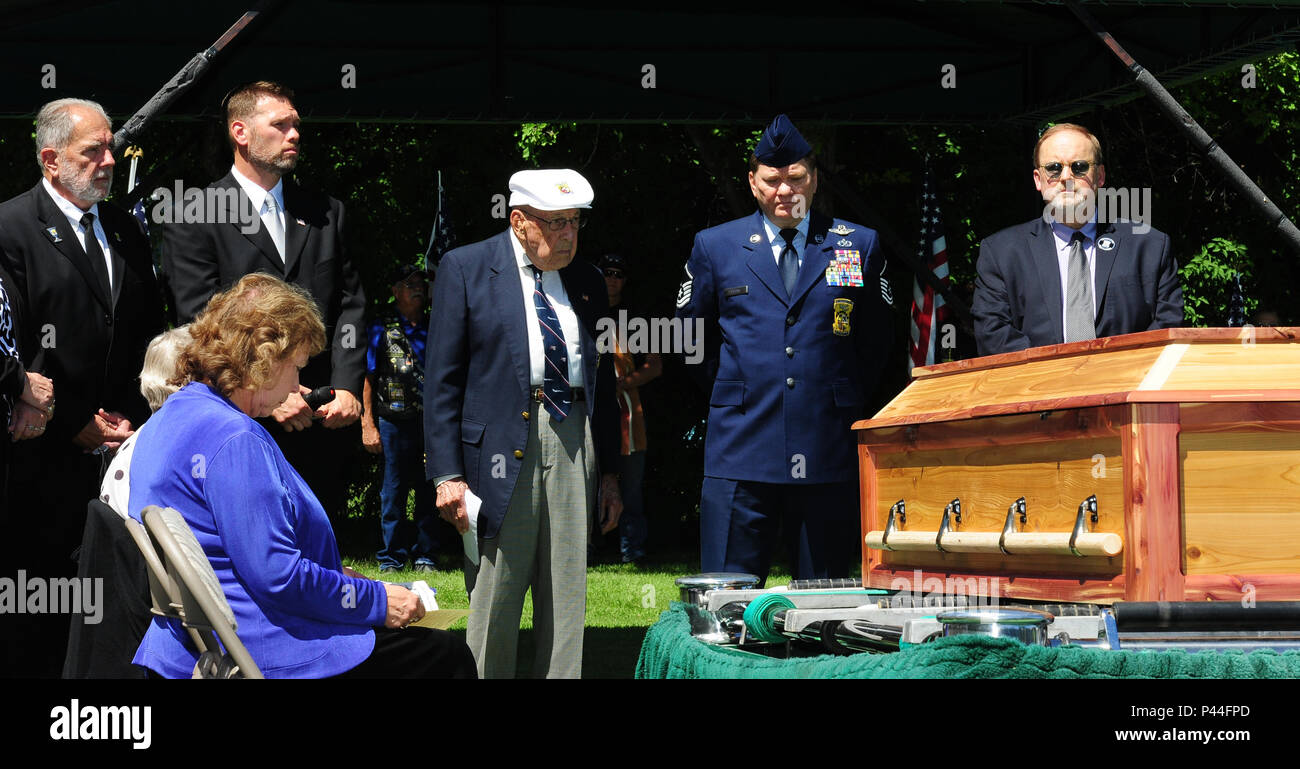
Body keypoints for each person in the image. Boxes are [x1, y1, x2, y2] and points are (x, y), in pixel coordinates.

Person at [128, 274, 475, 679]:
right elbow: (279, 578)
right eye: (296, 367)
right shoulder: (234, 437)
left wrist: (337, 578)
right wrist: (378, 601)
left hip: (196, 645)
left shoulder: (169, 419)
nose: (298, 384)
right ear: (264, 358)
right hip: (260, 648)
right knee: (446, 655)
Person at [675, 114, 893, 583]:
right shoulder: (716, 246)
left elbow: (876, 341)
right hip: (741, 445)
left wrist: (835, 393)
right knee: (727, 596)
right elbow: (691, 339)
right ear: (753, 183)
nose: (784, 191)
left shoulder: (857, 243)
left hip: (825, 444)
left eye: (796, 178)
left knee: (825, 596)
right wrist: (737, 388)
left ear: (814, 179)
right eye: (772, 180)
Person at [426, 169, 622, 678]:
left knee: (567, 590)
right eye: (555, 223)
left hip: (573, 434)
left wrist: (609, 472)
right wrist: (447, 475)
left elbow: (601, 382)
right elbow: (442, 380)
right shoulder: (466, 267)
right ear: (518, 221)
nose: (568, 235)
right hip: (497, 442)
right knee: (496, 591)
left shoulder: (587, 280)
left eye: (575, 222)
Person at [0, 97, 164, 677]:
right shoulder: (10, 227)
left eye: (110, 148)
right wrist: (74, 421)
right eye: (92, 151)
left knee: (112, 602)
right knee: (39, 602)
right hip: (40, 451)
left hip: (121, 446)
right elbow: (16, 340)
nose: (109, 161)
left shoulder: (125, 227)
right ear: (51, 160)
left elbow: (146, 329)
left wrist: (131, 415)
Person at [161, 80, 365, 524]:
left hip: (322, 418)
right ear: (240, 132)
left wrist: (348, 386)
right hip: (240, 425)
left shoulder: (327, 212)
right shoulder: (193, 213)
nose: (295, 134)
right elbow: (202, 320)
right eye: (280, 125)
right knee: (253, 545)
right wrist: (269, 393)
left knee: (321, 548)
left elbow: (351, 304)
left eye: (296, 125)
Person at [972, 123, 1183, 356]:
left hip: (1128, 376)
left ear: (1100, 176)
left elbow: (1168, 326)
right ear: (1038, 180)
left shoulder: (1149, 247)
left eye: (1079, 167)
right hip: (1038, 379)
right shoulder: (1001, 253)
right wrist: (1058, 372)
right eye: (1053, 168)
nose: (1066, 177)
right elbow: (993, 334)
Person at [362, 262, 442, 574]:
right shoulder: (381, 328)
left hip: (430, 421)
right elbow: (368, 377)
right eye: (410, 284)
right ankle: (391, 558)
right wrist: (367, 424)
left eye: (421, 283)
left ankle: (426, 556)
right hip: (392, 421)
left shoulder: (437, 325)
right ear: (396, 292)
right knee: (393, 490)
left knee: (428, 488)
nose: (418, 288)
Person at [598, 253, 661, 565]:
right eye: (607, 272)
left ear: (625, 281)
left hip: (628, 414)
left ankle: (632, 552)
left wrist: (621, 383)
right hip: (590, 413)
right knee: (587, 483)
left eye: (618, 274)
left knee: (631, 487)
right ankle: (587, 550)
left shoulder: (637, 319)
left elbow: (655, 366)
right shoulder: (583, 310)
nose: (612, 279)